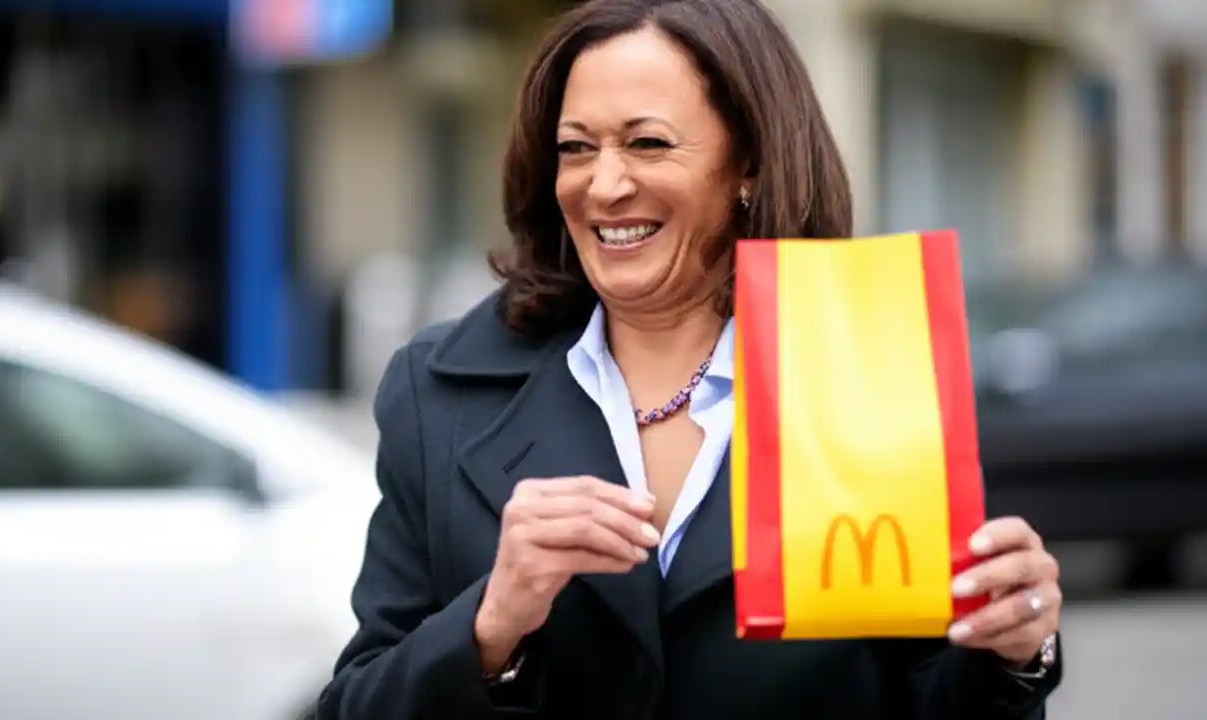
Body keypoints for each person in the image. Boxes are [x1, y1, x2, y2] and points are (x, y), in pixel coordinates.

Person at [315, 1, 1063, 717]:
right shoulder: (439, 392)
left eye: (647, 143)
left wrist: (1011, 653)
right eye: (576, 148)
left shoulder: (871, 369)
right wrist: (492, 621)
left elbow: (925, 694)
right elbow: (356, 703)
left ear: (750, 164)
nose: (605, 185)